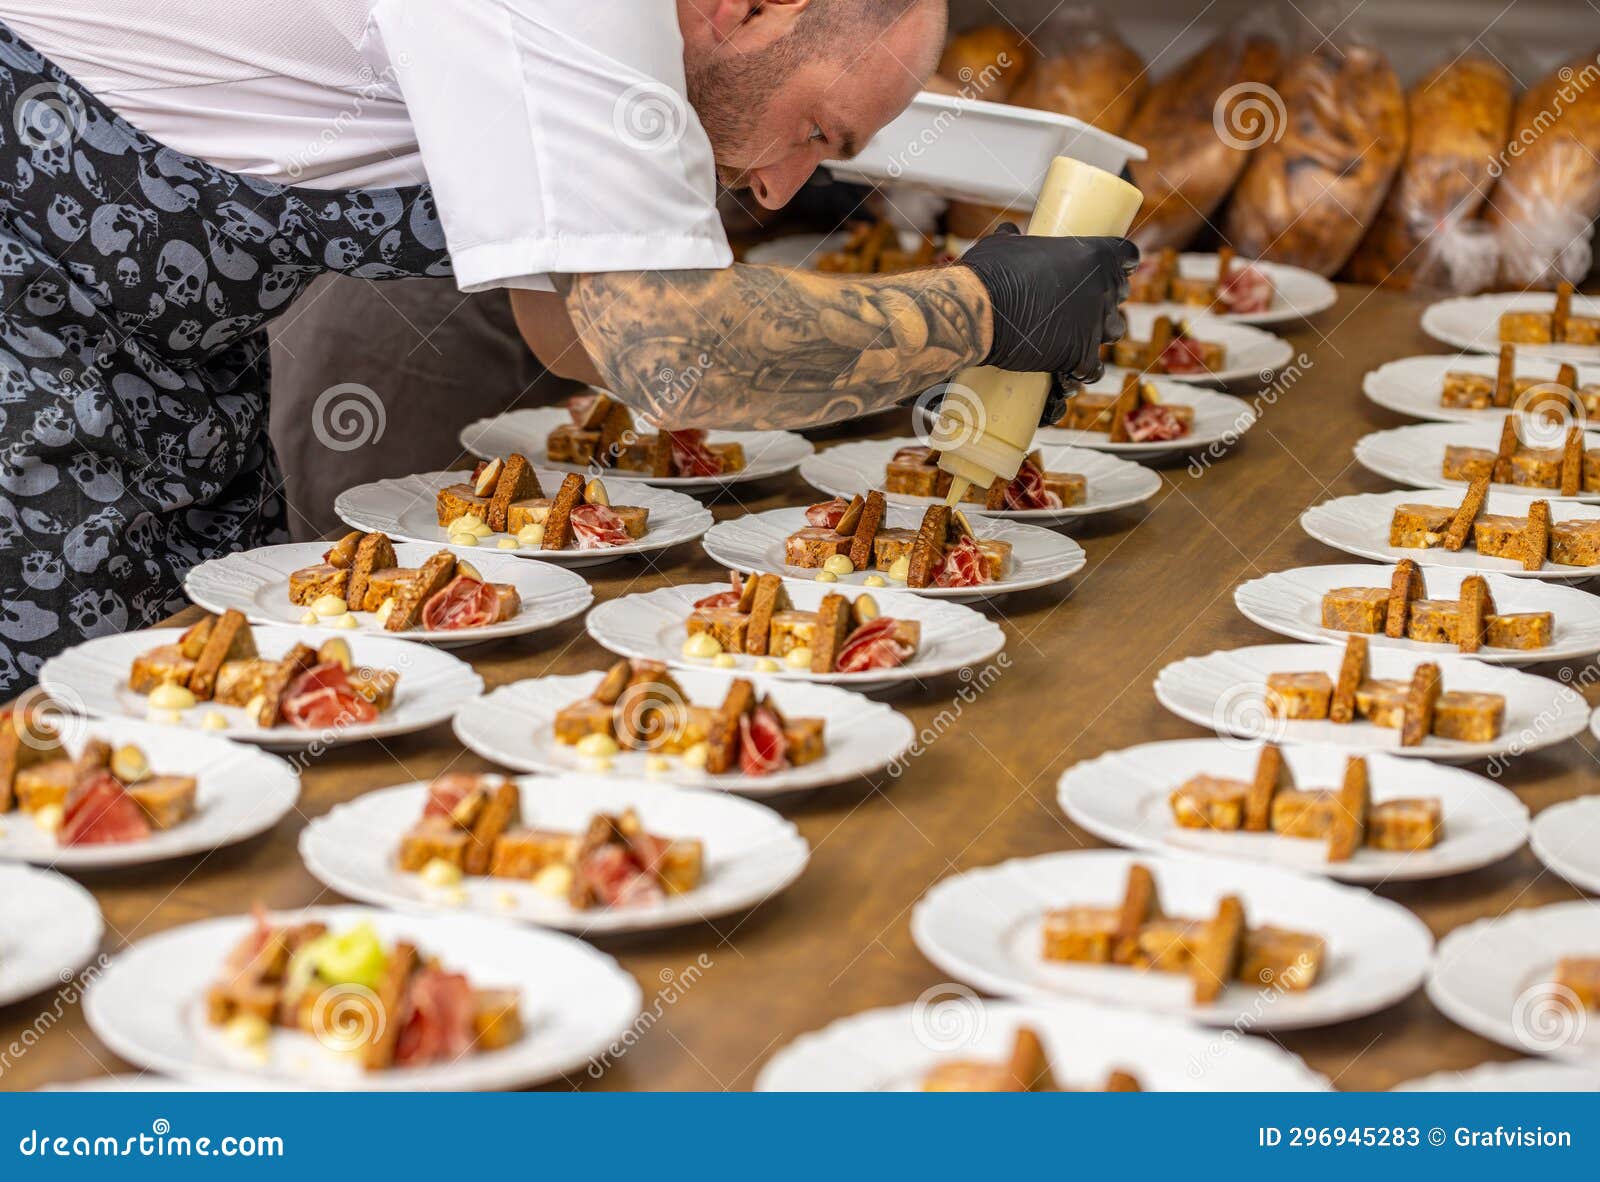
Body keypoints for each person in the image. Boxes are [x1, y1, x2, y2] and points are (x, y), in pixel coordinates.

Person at [0, 0, 1135, 692]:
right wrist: (980, 311)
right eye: (819, 131)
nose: (790, 183)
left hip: (168, 340)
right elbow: (671, 352)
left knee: (199, 714)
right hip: (27, 318)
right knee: (56, 755)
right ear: (755, 7)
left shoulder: (644, 55)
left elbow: (577, 327)